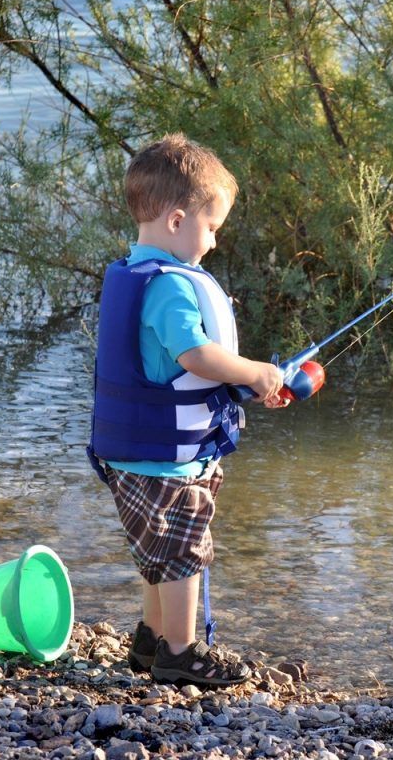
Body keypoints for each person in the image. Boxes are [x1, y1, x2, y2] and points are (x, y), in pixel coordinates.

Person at [87, 133, 286, 687]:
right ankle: (180, 652)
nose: (215, 243)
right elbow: (195, 354)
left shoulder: (137, 272)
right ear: (177, 220)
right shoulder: (172, 288)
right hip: (166, 463)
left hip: (138, 456)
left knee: (159, 553)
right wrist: (254, 372)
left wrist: (242, 386)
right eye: (213, 227)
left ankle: (150, 642)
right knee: (182, 555)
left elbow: (179, 371)